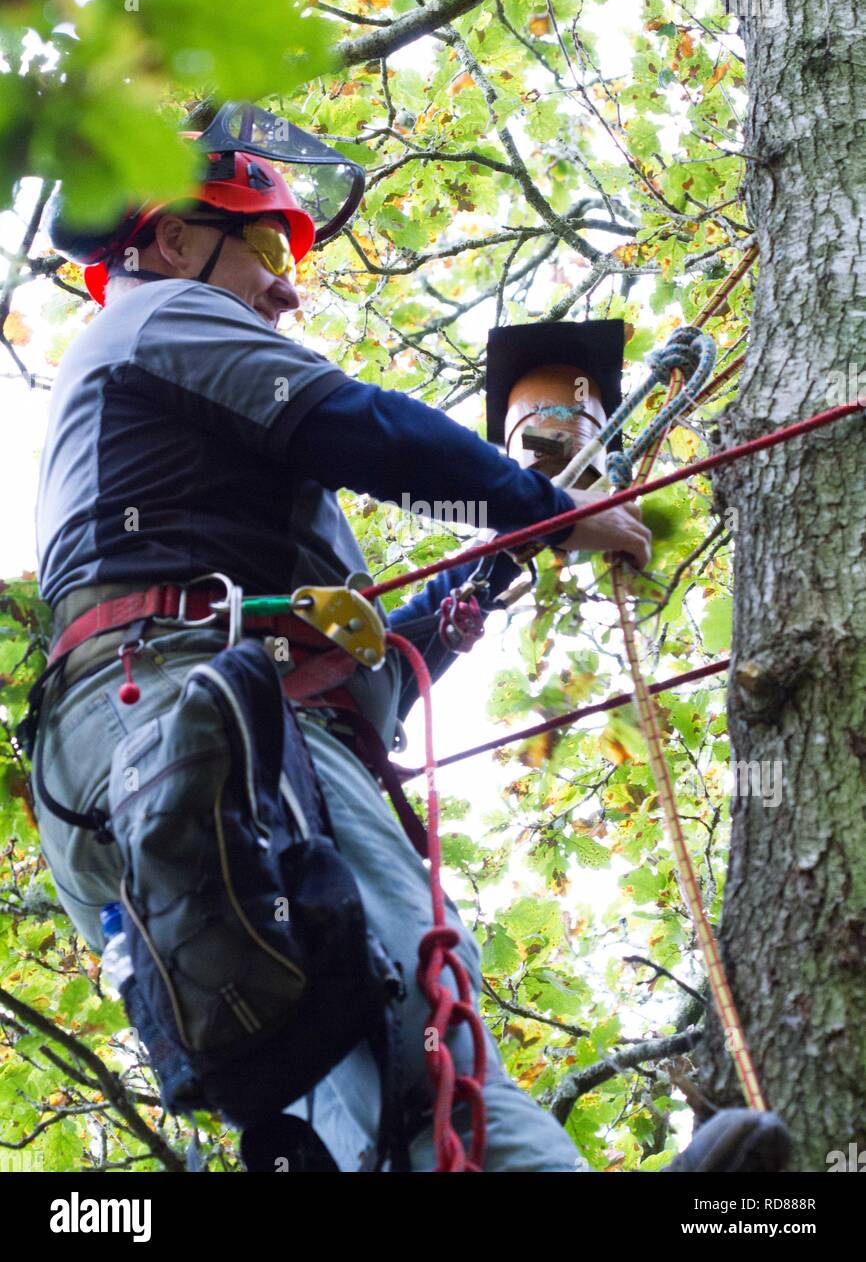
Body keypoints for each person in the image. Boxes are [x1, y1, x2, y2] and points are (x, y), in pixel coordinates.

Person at [31, 106, 781, 1173]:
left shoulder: (190, 479)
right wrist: (543, 509)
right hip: (186, 707)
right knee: (417, 1014)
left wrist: (485, 579)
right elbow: (364, 425)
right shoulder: (159, 321)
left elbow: (362, 668)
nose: (287, 285)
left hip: (129, 751)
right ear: (167, 241)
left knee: (344, 1061)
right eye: (264, 245)